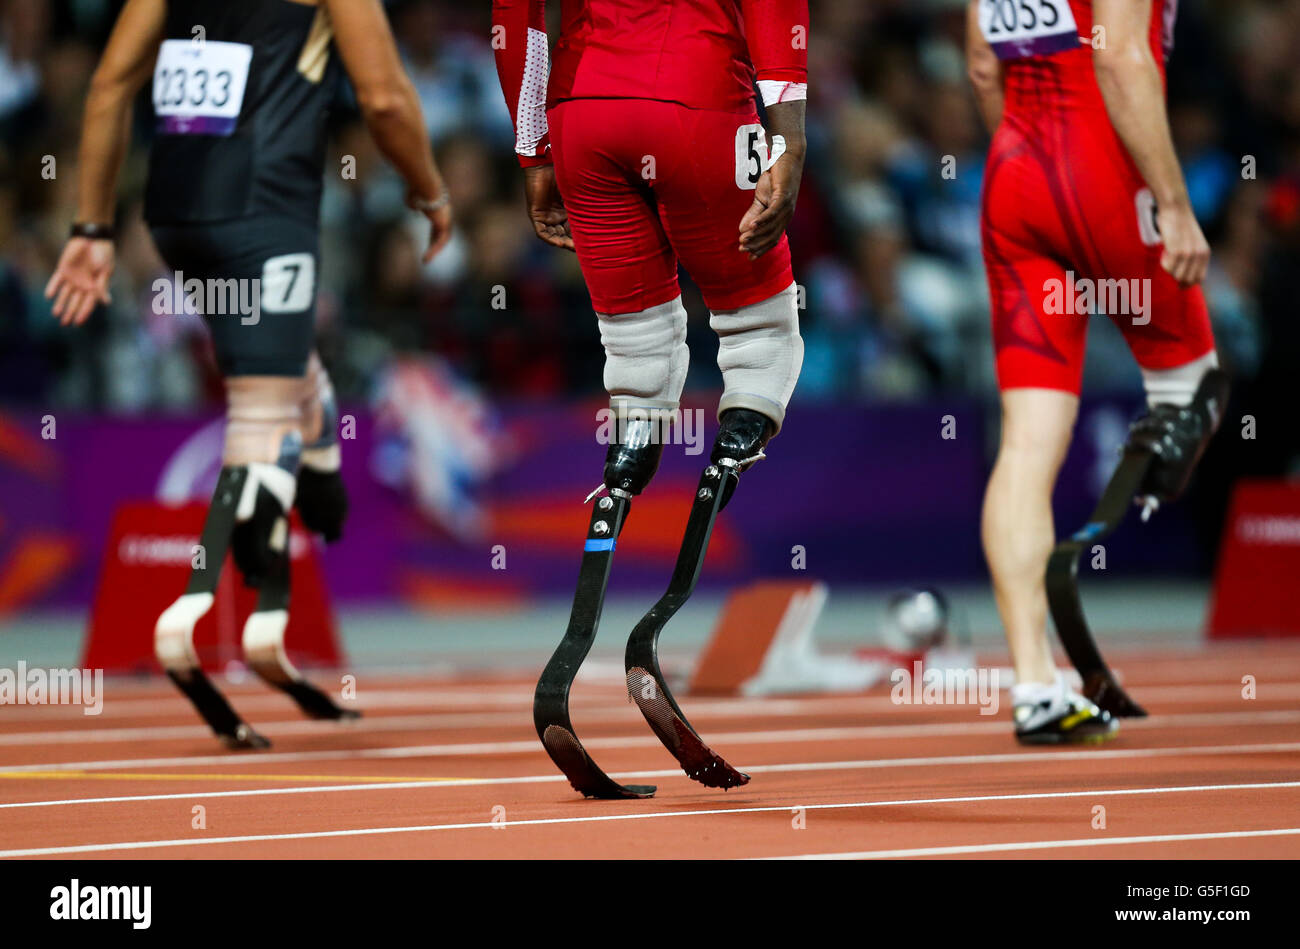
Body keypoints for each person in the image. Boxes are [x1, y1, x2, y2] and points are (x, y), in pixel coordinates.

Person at [44, 0, 452, 747]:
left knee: (292, 377)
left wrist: (92, 228)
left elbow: (108, 85)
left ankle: (275, 598)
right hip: (266, 215)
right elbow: (388, 99)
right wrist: (430, 191)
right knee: (260, 416)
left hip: (174, 218)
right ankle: (189, 615)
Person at [491, 0, 809, 791]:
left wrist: (533, 146)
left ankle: (573, 647)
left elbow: (515, 13)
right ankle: (668, 595)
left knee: (635, 359)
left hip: (583, 115)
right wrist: (790, 129)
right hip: (697, 96)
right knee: (761, 333)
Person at [968, 0, 1223, 743]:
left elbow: (983, 65)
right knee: (1197, 389)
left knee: (1026, 442)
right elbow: (1118, 54)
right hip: (1107, 172)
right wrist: (1174, 204)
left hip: (1014, 176)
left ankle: (1034, 685)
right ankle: (1125, 493)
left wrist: (1033, 182)